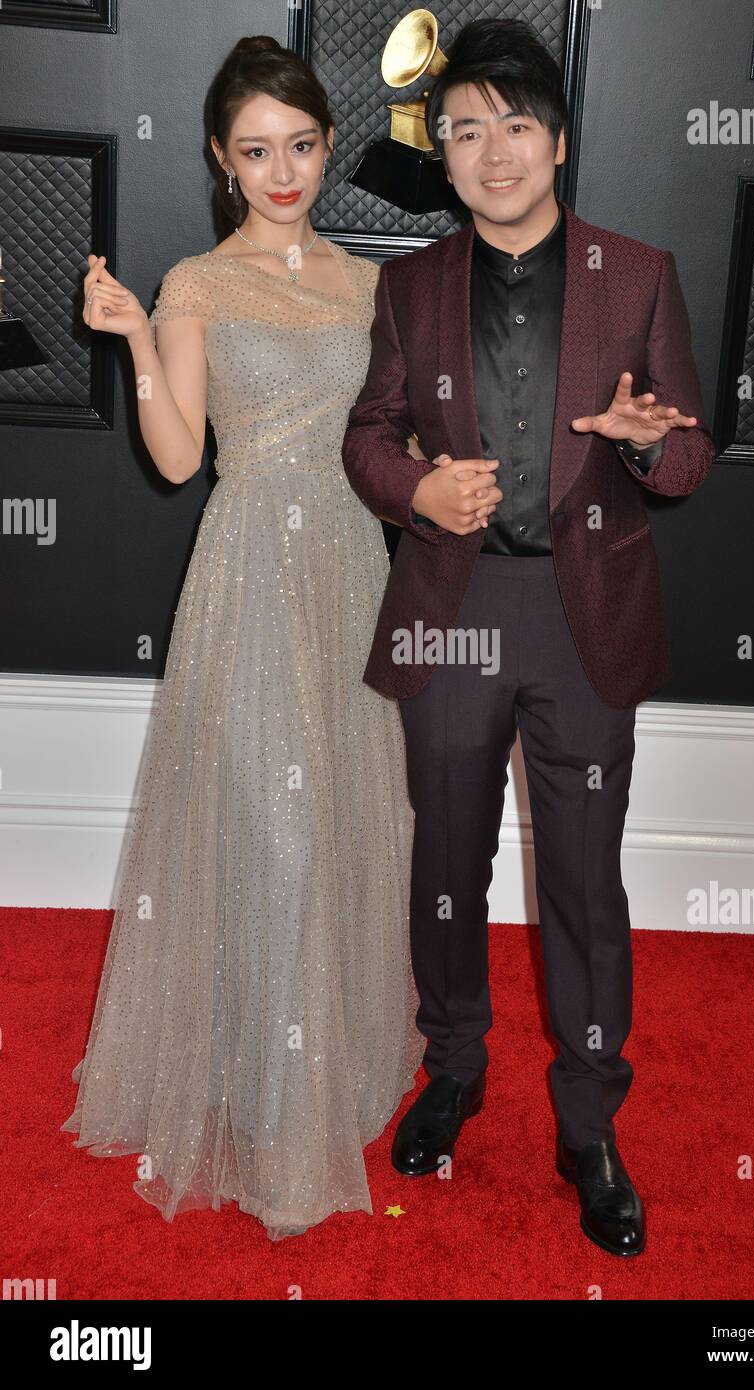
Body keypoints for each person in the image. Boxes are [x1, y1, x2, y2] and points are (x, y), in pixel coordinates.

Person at [342, 17, 715, 1257]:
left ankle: (590, 1123)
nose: (489, 152)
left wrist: (645, 440)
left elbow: (691, 455)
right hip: (456, 609)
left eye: (513, 125)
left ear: (555, 141)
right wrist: (413, 491)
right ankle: (453, 1068)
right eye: (462, 130)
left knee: (584, 879)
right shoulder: (409, 284)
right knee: (445, 858)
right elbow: (368, 433)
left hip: (582, 614)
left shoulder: (640, 271)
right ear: (438, 154)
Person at [61, 34, 423, 1241]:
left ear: (328, 146)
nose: (283, 171)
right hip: (249, 573)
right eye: (256, 151)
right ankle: (266, 1094)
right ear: (221, 159)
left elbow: (391, 453)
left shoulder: (375, 289)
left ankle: (319, 1066)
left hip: (347, 569)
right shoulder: (195, 284)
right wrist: (126, 337)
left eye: (303, 146)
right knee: (276, 831)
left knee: (347, 817)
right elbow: (174, 461)